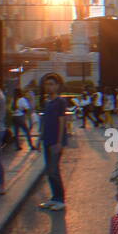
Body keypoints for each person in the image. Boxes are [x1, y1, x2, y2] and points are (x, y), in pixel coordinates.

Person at [38, 73, 68, 211]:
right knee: (49, 171)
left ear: (57, 86)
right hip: (47, 139)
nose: (48, 87)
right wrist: (40, 138)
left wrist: (59, 142)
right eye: (46, 84)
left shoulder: (60, 102)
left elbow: (62, 121)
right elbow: (44, 121)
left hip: (55, 141)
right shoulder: (47, 102)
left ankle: (60, 199)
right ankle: (54, 198)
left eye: (51, 84)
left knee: (54, 170)